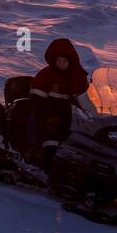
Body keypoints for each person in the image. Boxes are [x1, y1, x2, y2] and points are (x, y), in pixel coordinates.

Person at [28, 37, 89, 169]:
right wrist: (50, 115)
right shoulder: (45, 75)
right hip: (51, 114)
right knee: (51, 133)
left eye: (64, 61)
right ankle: (48, 164)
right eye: (58, 60)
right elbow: (37, 101)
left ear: (70, 61)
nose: (61, 63)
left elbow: (87, 98)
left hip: (74, 116)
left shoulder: (78, 76)